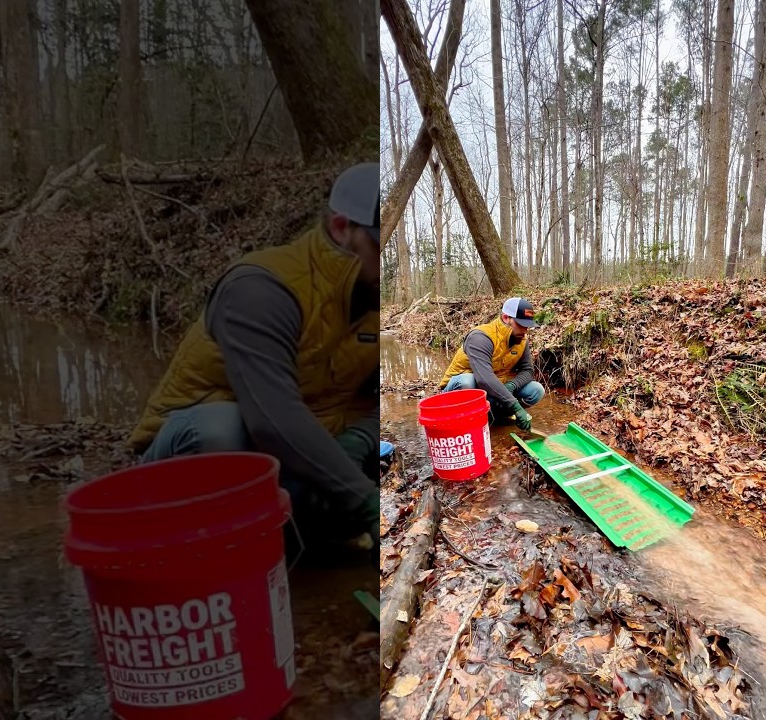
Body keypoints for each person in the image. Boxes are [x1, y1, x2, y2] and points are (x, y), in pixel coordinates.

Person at [126, 162, 381, 555]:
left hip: (288, 461)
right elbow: (273, 418)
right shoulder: (263, 288)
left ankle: (291, 535)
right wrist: (364, 500)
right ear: (341, 229)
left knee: (366, 467)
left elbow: (379, 400)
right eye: (380, 247)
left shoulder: (377, 295)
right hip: (197, 451)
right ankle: (203, 554)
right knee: (221, 428)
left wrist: (360, 439)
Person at [437, 297, 546, 431]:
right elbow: (484, 378)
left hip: (492, 391)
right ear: (506, 318)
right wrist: (515, 406)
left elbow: (528, 371)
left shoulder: (521, 339)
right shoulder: (480, 337)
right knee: (467, 381)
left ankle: (494, 416)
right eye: (521, 324)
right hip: (460, 391)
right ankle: (466, 421)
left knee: (536, 390)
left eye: (527, 326)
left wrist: (512, 386)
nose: (525, 331)